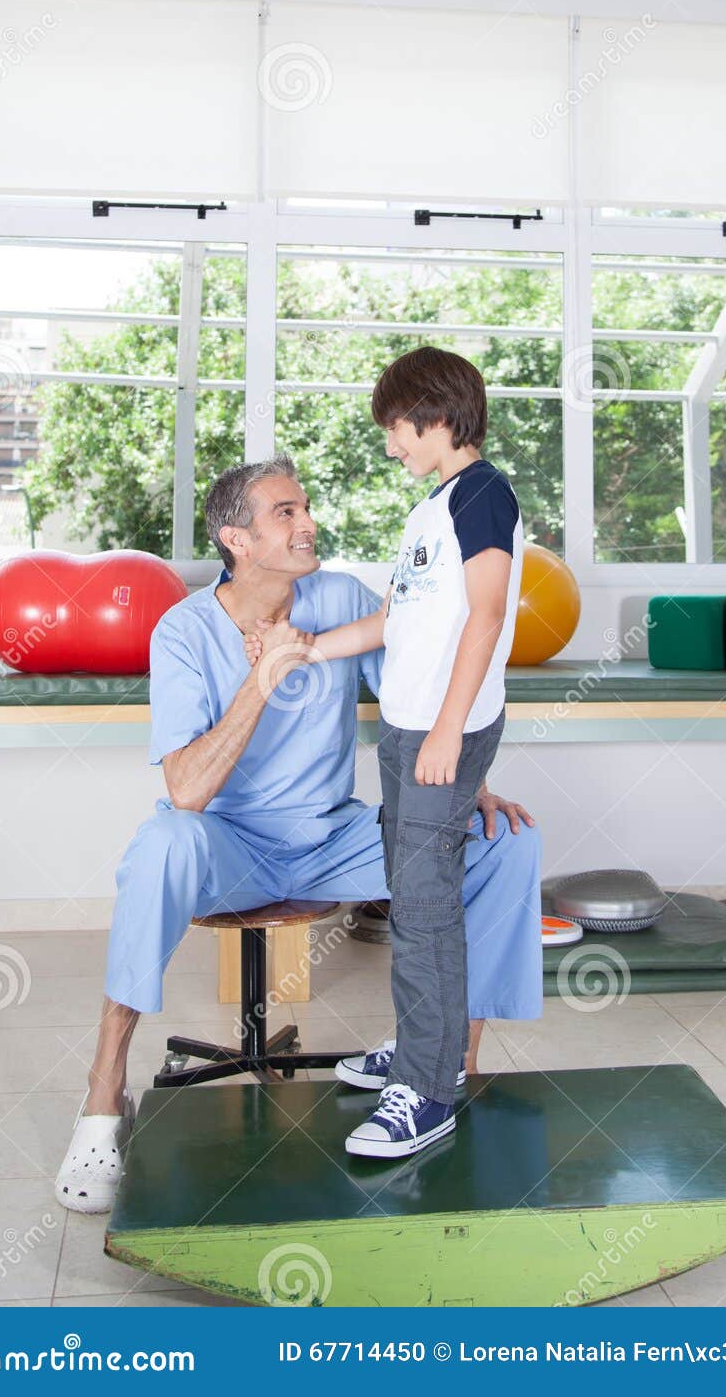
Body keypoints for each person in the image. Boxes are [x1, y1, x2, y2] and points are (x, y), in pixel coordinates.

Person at [53, 455, 542, 1213]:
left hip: (334, 837)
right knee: (161, 845)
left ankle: (444, 1064)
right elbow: (185, 789)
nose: (307, 521)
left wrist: (469, 781)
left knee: (499, 844)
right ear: (236, 539)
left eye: (304, 506)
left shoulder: (341, 595)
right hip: (232, 846)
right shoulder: (182, 631)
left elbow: (415, 693)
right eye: (285, 512)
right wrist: (264, 676)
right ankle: (103, 1092)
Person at [246, 348, 530, 1160]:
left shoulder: (481, 494)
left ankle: (430, 1090)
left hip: (439, 731)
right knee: (413, 898)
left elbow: (484, 616)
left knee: (427, 904)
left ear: (434, 418)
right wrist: (303, 650)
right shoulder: (434, 508)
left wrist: (447, 729)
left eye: (396, 431)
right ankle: (417, 1054)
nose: (391, 446)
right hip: (407, 730)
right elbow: (396, 625)